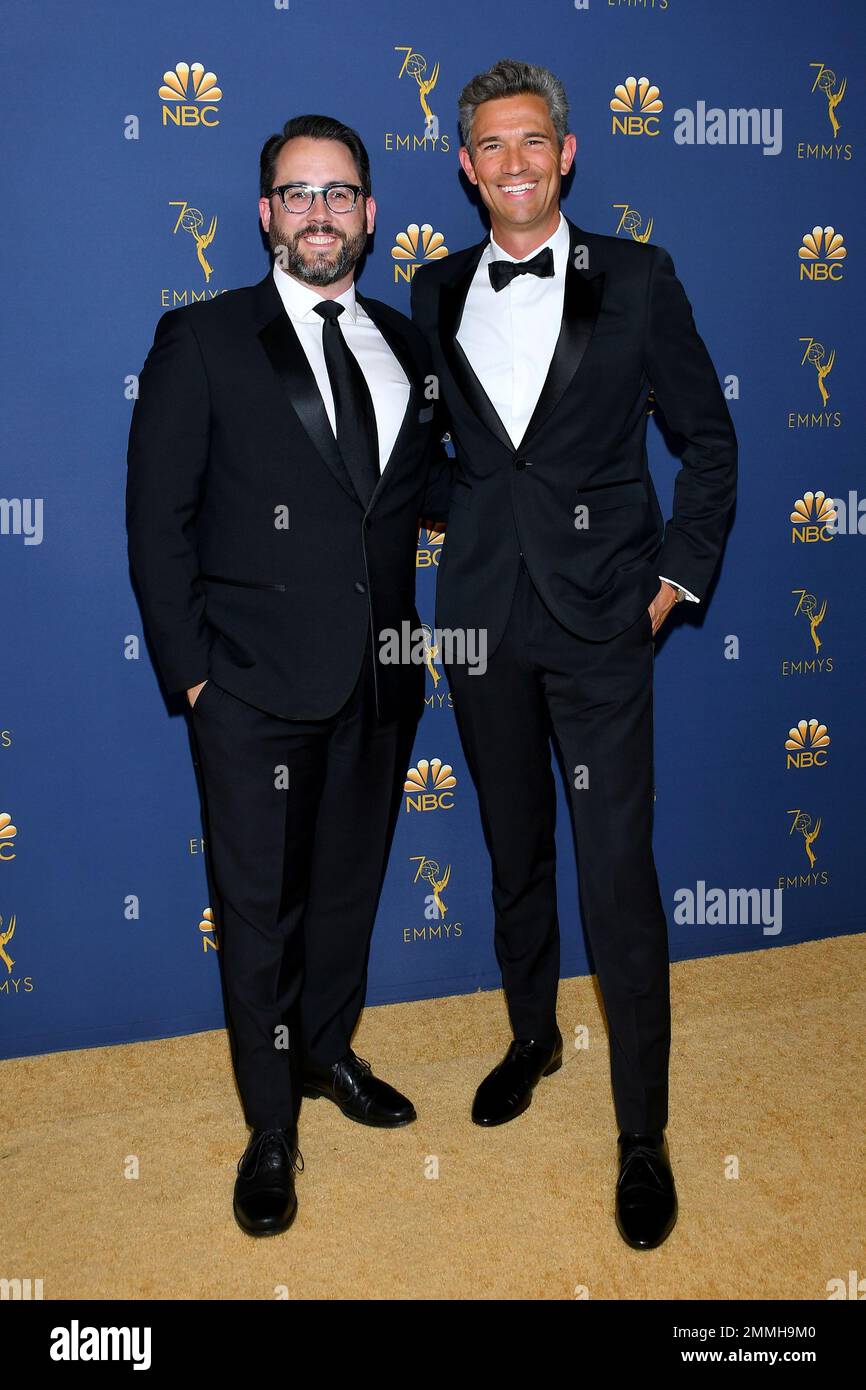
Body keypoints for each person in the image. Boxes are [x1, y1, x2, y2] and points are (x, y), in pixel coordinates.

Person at [410, 59, 737, 1249]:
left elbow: (708, 442)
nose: (510, 163)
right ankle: (532, 1035)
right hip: (481, 621)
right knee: (511, 849)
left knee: (613, 871)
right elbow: (450, 452)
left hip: (604, 624)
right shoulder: (434, 285)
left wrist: (671, 585)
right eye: (488, 146)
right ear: (465, 163)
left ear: (566, 152)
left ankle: (640, 1133)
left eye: (529, 142)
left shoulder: (637, 279)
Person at [126, 114, 447, 1237]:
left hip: (380, 682)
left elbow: (432, 493)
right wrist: (197, 682)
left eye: (340, 193)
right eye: (297, 193)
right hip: (250, 689)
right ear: (264, 214)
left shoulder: (407, 346)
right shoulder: (203, 339)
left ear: (370, 213)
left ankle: (325, 1053)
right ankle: (271, 1126)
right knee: (258, 914)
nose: (320, 212)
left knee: (347, 893)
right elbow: (157, 523)